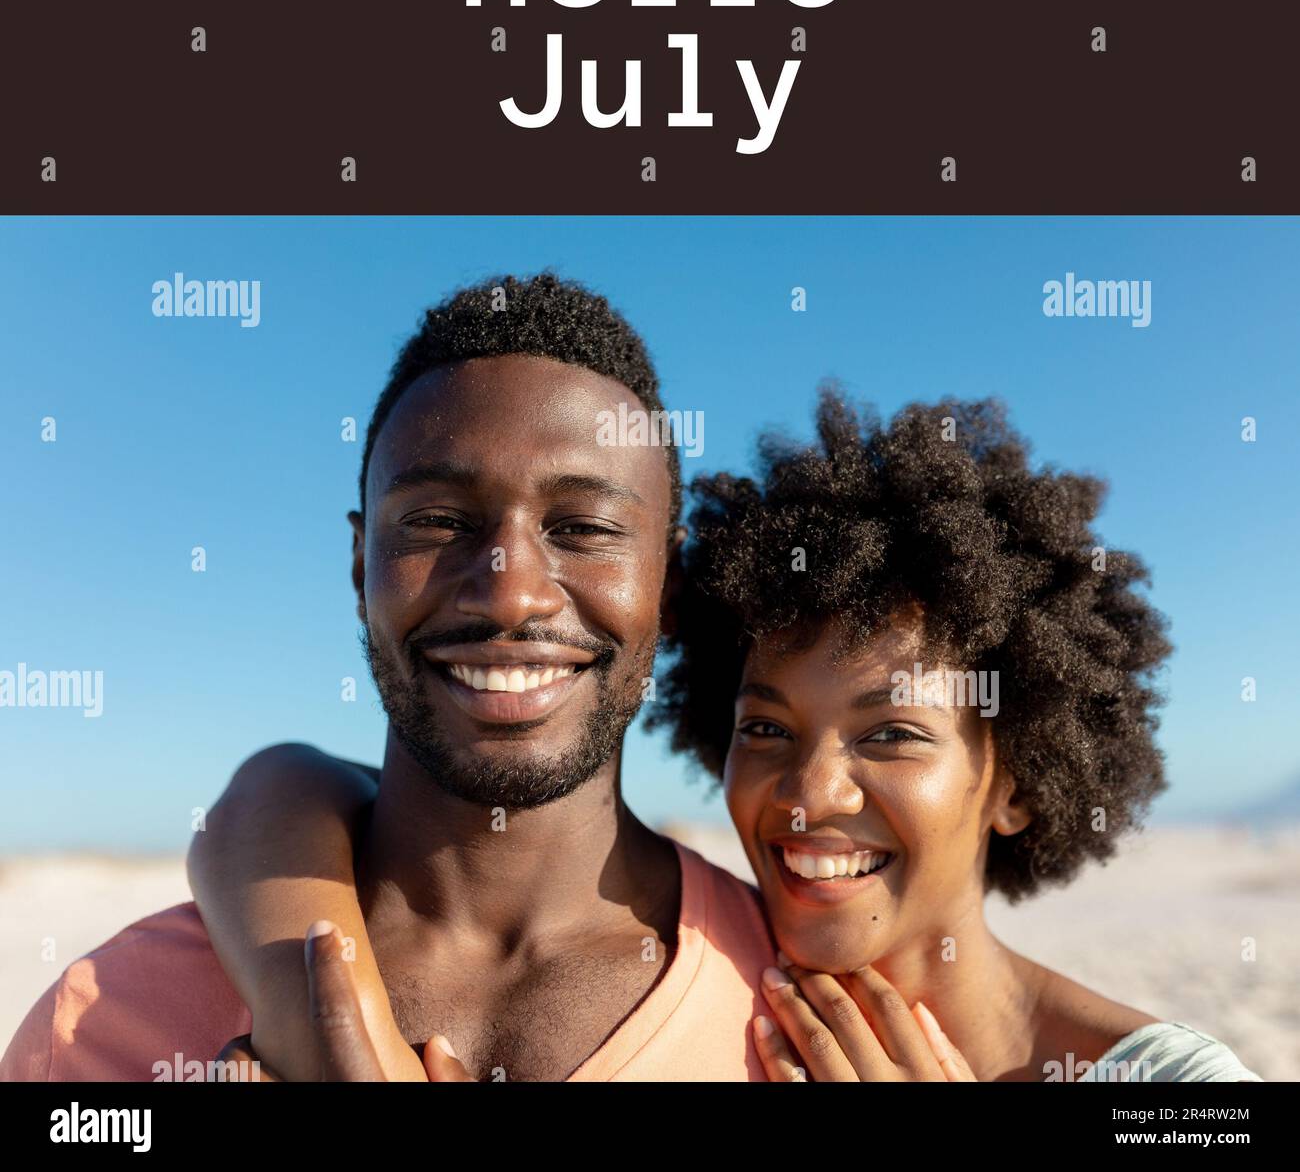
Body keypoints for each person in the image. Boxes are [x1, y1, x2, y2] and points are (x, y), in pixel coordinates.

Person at [180, 388, 1263, 1082]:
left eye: (889, 732)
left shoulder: (1171, 1090)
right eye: (765, 725)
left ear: (1015, 780)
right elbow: (279, 792)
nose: (810, 792)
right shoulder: (719, 989)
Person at [4, 272, 819, 1083]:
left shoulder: (809, 1023)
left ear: (667, 586)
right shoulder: (99, 1025)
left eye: (583, 528)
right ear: (361, 566)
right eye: (437, 522)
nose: (510, 593)